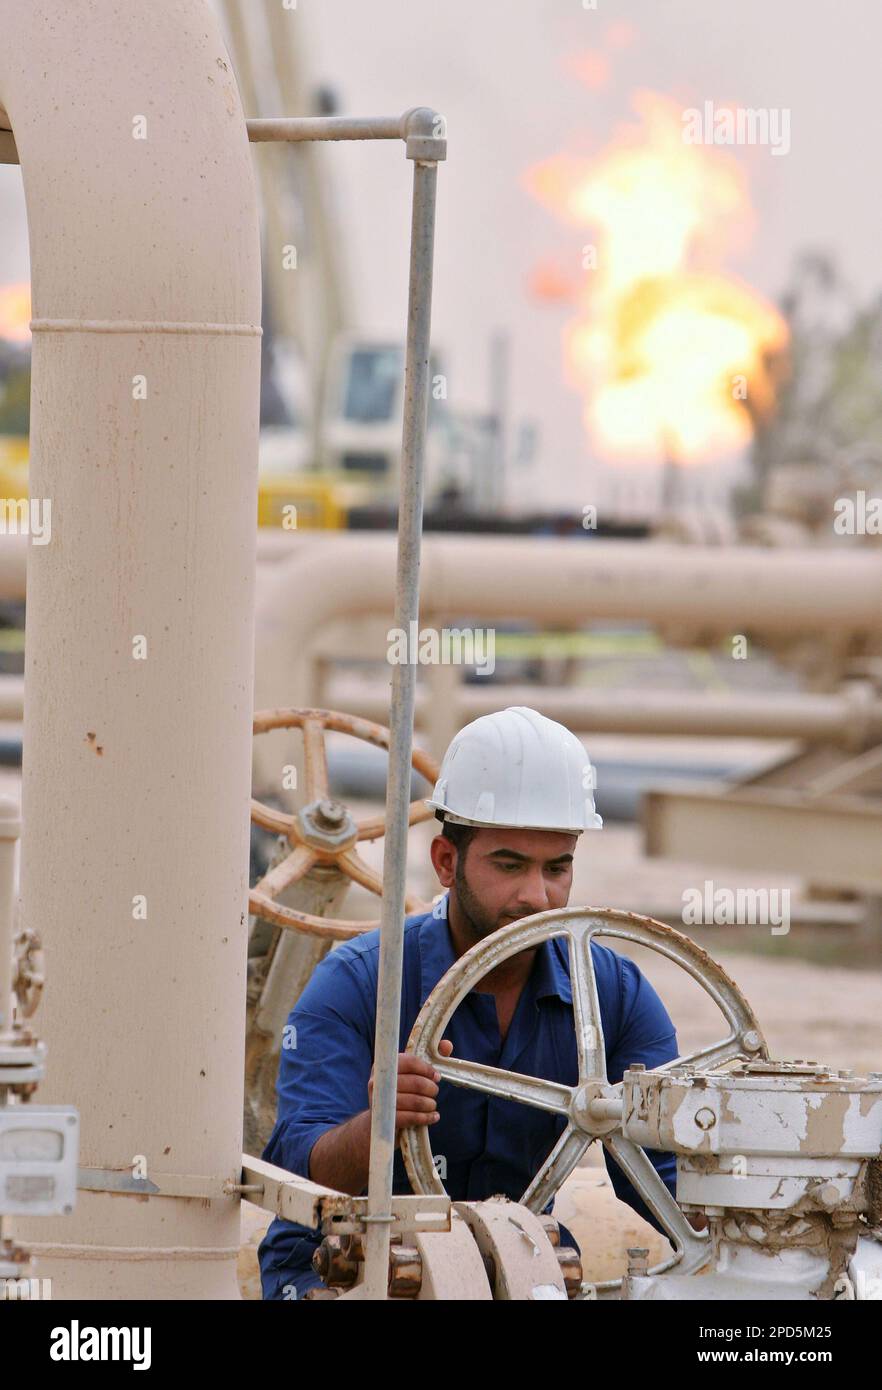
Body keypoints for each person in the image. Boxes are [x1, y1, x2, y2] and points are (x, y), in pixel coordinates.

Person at [258, 705, 684, 1299]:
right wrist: (375, 1127)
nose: (536, 896)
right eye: (509, 865)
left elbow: (666, 1181)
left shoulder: (612, 994)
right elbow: (300, 1176)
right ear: (445, 863)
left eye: (557, 868)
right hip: (341, 1270)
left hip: (514, 1269)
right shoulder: (360, 984)